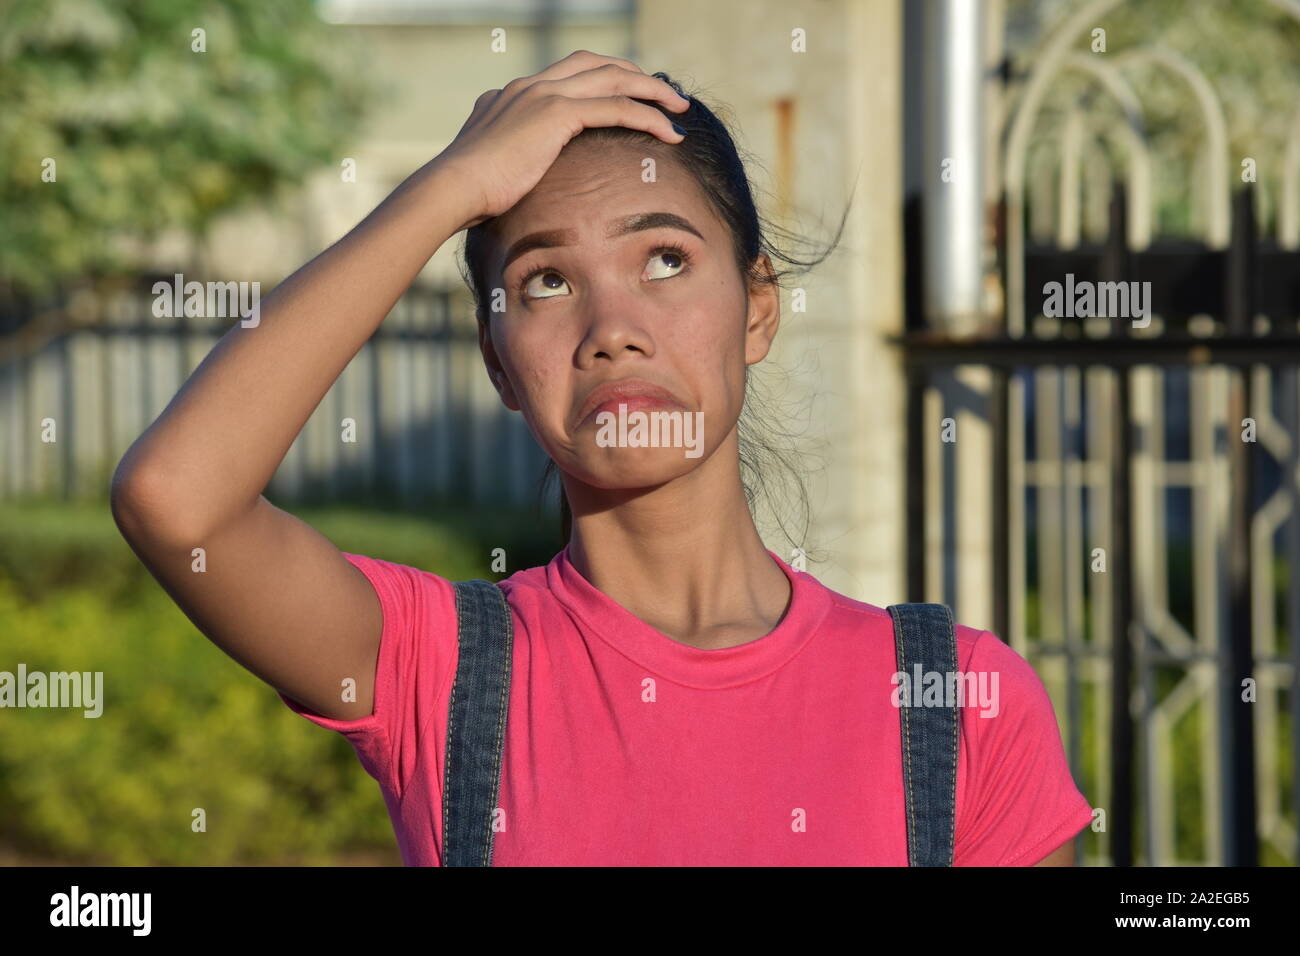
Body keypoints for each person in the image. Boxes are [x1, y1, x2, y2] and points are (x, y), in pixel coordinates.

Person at [111, 50, 1092, 866]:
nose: (611, 328)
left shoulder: (957, 699)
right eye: (544, 281)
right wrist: (449, 186)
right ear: (500, 362)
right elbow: (176, 500)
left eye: (664, 259)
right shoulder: (436, 668)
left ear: (757, 306)